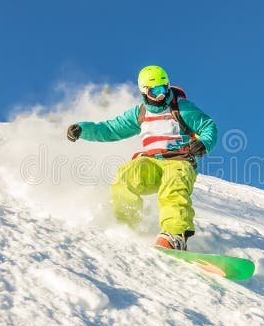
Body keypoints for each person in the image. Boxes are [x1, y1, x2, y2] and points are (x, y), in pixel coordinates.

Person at [66, 65, 218, 250]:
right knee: (125, 175)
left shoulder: (183, 109)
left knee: (174, 186)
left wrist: (204, 143)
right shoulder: (140, 114)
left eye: (164, 89)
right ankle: (126, 224)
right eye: (156, 91)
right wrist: (83, 129)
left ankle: (175, 235)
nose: (162, 95)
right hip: (151, 162)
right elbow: (110, 129)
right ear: (144, 92)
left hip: (180, 161)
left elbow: (208, 126)